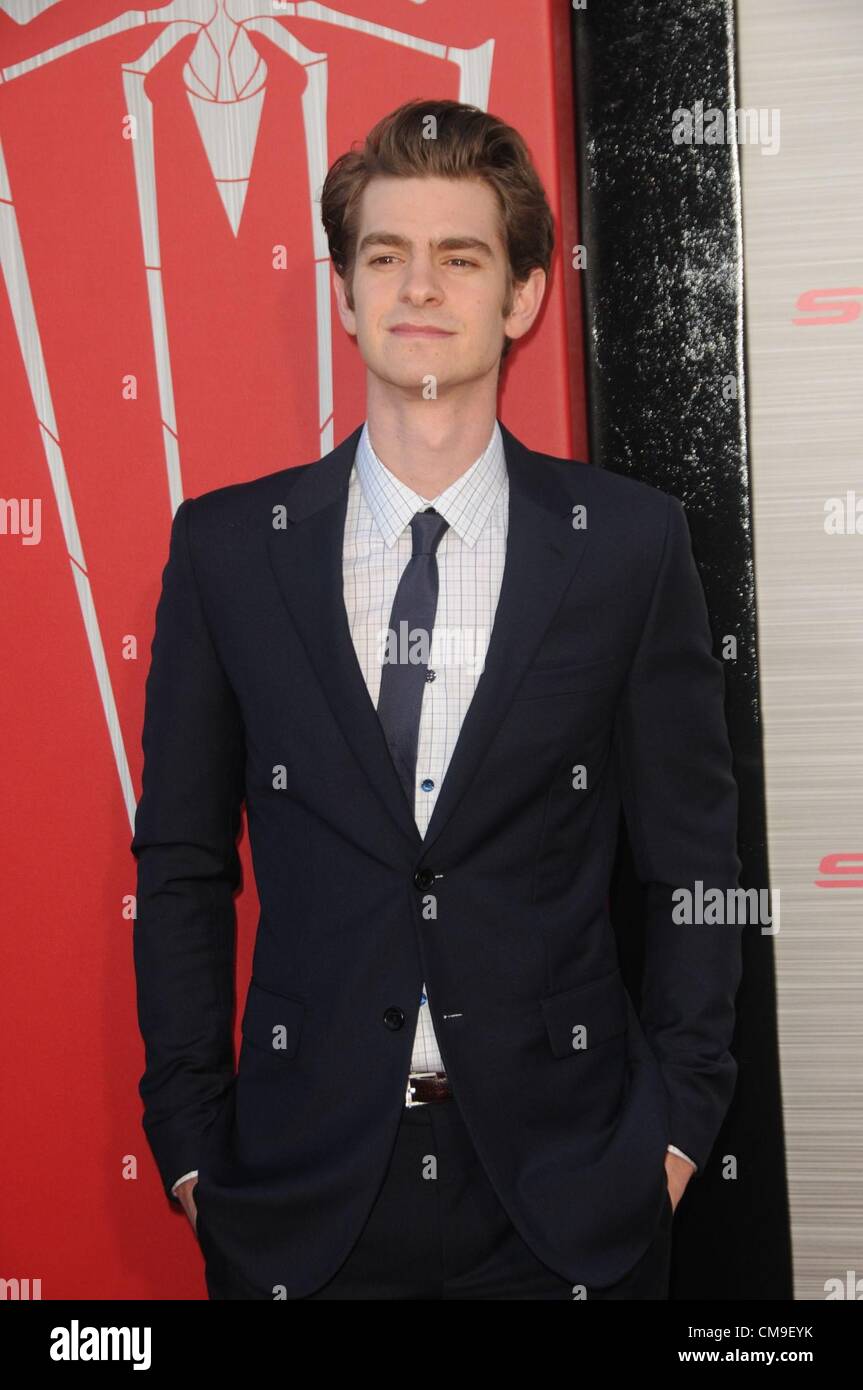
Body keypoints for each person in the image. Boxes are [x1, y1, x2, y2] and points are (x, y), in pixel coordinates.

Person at [131, 98, 743, 1300]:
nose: (418, 286)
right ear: (346, 295)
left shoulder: (625, 547)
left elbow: (692, 864)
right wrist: (194, 1147)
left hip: (570, 1197)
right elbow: (182, 865)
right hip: (302, 1198)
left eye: (458, 257)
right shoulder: (226, 552)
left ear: (520, 296)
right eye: (383, 257)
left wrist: (672, 1130)